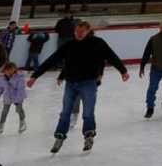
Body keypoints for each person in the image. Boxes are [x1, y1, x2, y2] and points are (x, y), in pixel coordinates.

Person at [28, 20, 130, 154]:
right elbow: (53, 59)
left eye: (82, 32)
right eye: (77, 32)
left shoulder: (97, 43)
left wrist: (123, 70)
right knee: (65, 112)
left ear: (88, 31)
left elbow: (111, 56)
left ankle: (88, 136)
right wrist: (35, 75)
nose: (79, 34)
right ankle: (59, 136)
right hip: (71, 83)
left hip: (88, 83)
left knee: (88, 112)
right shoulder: (69, 44)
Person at [0, 61, 29, 133]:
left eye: (11, 70)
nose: (8, 72)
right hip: (7, 97)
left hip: (18, 97)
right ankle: (1, 126)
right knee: (4, 112)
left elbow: (20, 90)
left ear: (14, 69)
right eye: (7, 70)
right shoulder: (2, 78)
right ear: (5, 70)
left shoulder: (19, 77)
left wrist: (17, 101)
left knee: (19, 110)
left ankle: (22, 122)